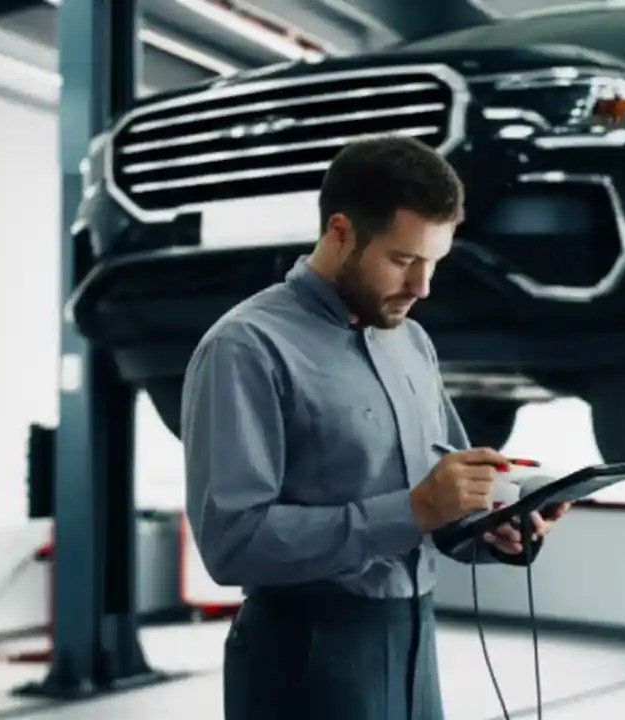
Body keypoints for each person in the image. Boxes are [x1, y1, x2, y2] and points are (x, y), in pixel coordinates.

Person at [181, 135, 573, 720]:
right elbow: (232, 544)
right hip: (303, 659)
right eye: (403, 260)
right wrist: (412, 511)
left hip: (416, 645)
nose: (423, 287)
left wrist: (498, 526)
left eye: (434, 262)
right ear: (339, 232)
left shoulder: (411, 341)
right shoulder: (246, 348)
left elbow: (447, 505)